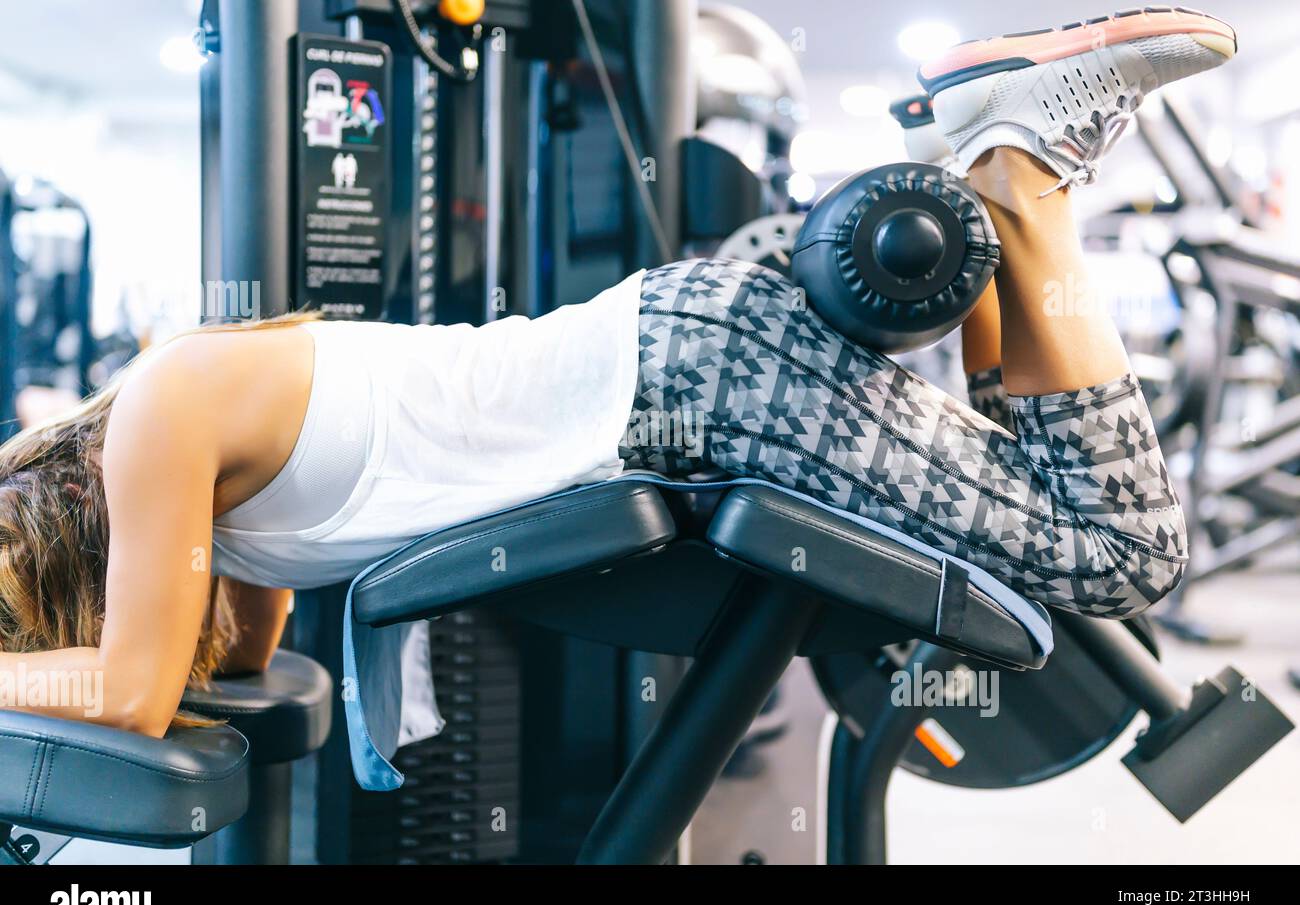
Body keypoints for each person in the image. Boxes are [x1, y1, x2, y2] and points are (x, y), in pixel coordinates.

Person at [0, 9, 1234, 736]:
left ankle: (1020, 181)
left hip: (696, 375)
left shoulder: (158, 418)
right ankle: (988, 173)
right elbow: (222, 662)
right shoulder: (195, 474)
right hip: (684, 368)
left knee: (1120, 554)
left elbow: (129, 695)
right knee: (1049, 495)